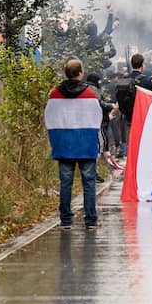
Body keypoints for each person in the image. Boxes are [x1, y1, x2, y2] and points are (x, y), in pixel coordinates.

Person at [45, 59, 102, 230]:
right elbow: (96, 119)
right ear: (81, 73)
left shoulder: (54, 94)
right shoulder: (90, 94)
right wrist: (98, 145)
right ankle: (90, 220)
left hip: (64, 144)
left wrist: (55, 141)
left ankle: (66, 220)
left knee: (66, 183)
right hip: (86, 143)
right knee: (89, 182)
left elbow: (49, 119)